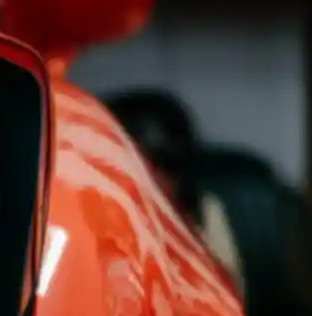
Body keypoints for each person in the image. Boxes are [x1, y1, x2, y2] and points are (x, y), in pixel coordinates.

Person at [105, 90, 245, 297]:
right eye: (146, 169)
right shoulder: (97, 211)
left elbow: (227, 299)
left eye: (168, 167)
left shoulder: (202, 209)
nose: (158, 183)